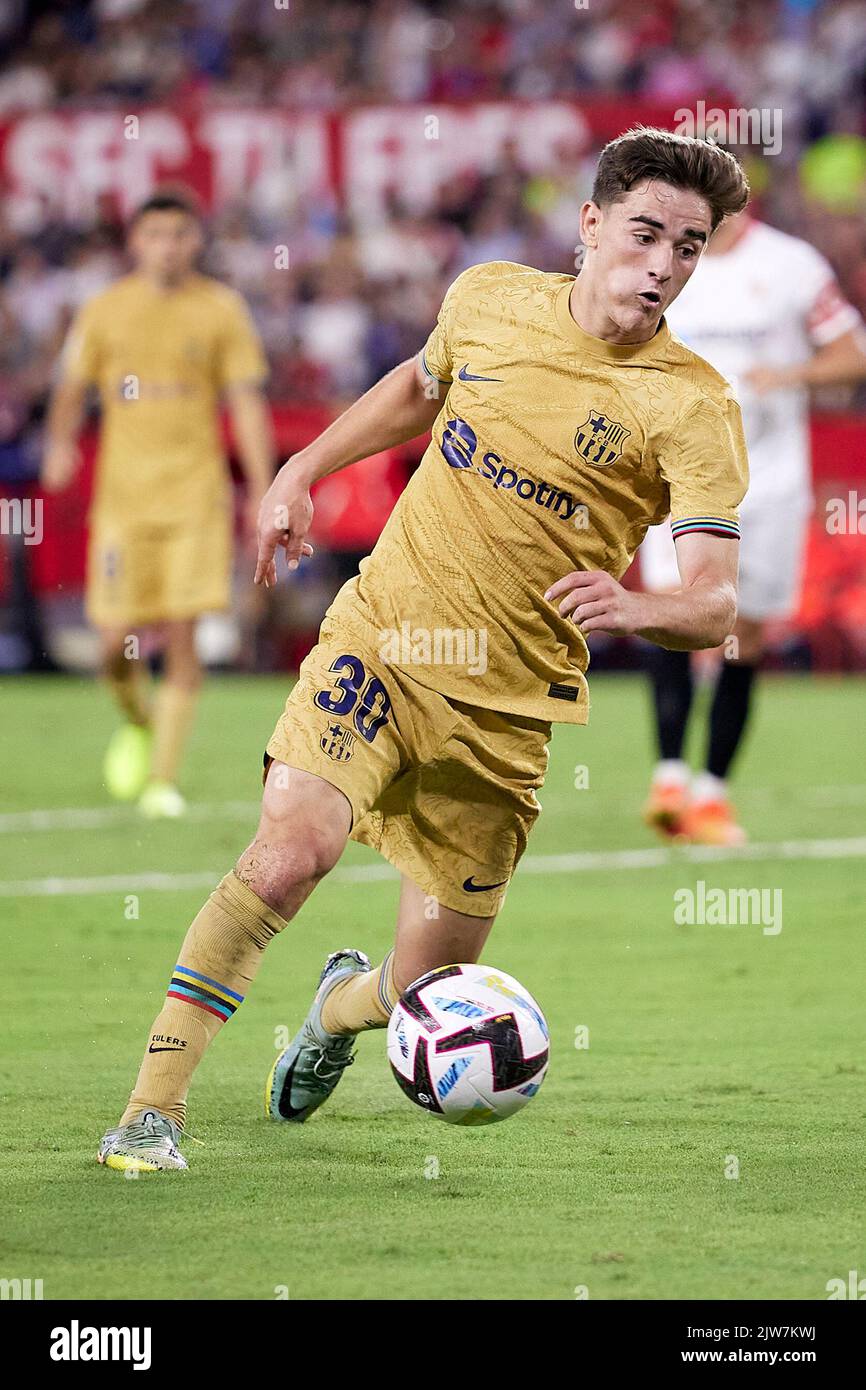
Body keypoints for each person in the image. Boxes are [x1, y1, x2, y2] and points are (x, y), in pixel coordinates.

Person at [97, 127, 750, 1171]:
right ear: (588, 226)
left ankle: (337, 1011)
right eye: (644, 235)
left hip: (506, 713)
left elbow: (716, 606)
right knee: (286, 853)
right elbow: (416, 386)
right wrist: (299, 468)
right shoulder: (488, 299)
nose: (663, 264)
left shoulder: (692, 406)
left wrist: (635, 608)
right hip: (383, 644)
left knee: (422, 987)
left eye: (688, 245)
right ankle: (150, 1109)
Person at [41, 191, 273, 818]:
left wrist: (262, 487)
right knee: (114, 645)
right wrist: (60, 444)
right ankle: (137, 721)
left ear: (196, 241)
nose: (168, 246)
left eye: (179, 234)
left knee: (182, 636)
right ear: (135, 242)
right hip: (123, 506)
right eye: (155, 234)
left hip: (194, 499)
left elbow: (245, 403)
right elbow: (70, 387)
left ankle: (161, 782)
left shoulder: (221, 309)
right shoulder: (105, 310)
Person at [640, 208, 866, 845]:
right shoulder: (662, 263)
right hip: (675, 474)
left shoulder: (790, 265)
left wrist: (791, 376)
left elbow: (853, 353)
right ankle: (669, 778)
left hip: (767, 482)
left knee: (747, 631)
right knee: (667, 612)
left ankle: (709, 797)